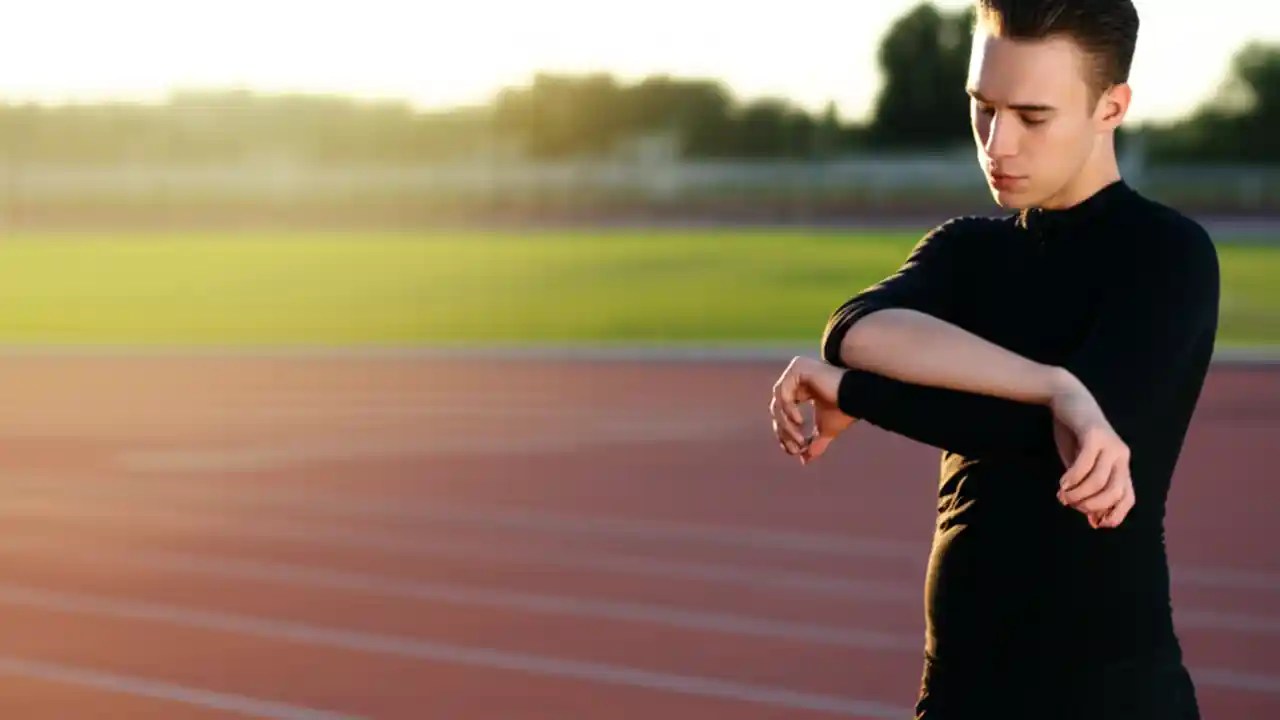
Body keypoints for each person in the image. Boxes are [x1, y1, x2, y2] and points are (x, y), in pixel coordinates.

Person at [768, 1, 1219, 718]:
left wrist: (859, 396)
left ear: (1111, 108)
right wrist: (1053, 385)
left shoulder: (1168, 255)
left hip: (1112, 694)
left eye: (1032, 117)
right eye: (984, 108)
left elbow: (1037, 443)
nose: (996, 143)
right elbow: (853, 329)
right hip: (958, 692)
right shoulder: (968, 249)